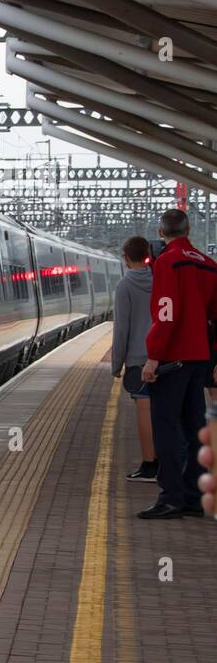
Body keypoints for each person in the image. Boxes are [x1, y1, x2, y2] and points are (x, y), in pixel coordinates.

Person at [139, 208, 217, 519]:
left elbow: (166, 313)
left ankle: (170, 497)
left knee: (167, 427)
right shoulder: (209, 265)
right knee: (194, 425)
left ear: (161, 232)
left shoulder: (168, 262)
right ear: (188, 231)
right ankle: (194, 496)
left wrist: (154, 356)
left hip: (173, 359)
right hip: (200, 359)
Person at [111, 236, 155, 481]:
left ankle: (150, 464)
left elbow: (121, 330)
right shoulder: (160, 281)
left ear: (126, 258)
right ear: (148, 255)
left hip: (139, 359)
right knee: (165, 414)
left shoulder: (124, 286)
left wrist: (117, 365)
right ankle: (169, 462)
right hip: (164, 358)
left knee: (144, 411)